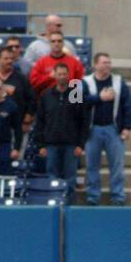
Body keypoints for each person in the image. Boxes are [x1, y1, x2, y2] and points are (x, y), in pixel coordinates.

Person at [82, 53, 131, 206]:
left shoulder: (119, 81)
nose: (107, 65)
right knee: (91, 165)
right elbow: (74, 102)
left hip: (114, 129)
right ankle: (93, 196)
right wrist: (99, 98)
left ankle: (118, 196)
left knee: (117, 165)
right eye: (104, 63)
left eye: (109, 63)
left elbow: (128, 105)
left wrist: (127, 127)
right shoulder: (81, 81)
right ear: (95, 65)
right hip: (92, 130)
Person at [35, 63, 88, 201]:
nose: (62, 77)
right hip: (51, 144)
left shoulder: (75, 94)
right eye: (59, 74)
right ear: (54, 75)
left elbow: (83, 121)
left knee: (71, 177)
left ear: (69, 76)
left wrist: (80, 144)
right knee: (52, 175)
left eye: (65, 74)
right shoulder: (46, 95)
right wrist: (41, 144)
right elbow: (40, 121)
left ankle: (69, 204)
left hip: (71, 144)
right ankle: (54, 201)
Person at [29, 32, 85, 98]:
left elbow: (79, 86)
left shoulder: (75, 63)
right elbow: (34, 84)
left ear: (63, 43)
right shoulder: (41, 63)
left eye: (59, 41)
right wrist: (49, 77)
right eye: (53, 41)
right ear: (49, 44)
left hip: (69, 102)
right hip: (47, 103)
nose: (56, 43)